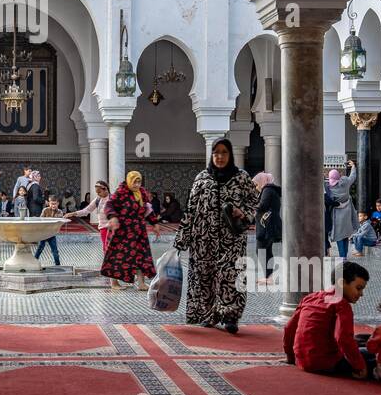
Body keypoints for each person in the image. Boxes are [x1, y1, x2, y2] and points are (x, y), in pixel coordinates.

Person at [176, 138, 259, 332]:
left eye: (224, 152)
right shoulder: (202, 178)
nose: (219, 157)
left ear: (230, 155)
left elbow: (255, 202)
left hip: (232, 240)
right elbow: (190, 209)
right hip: (203, 240)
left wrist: (243, 214)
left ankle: (231, 316)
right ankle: (209, 314)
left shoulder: (241, 177)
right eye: (216, 153)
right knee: (205, 277)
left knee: (231, 277)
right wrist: (182, 239)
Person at [283, 260, 371, 377]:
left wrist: (290, 356)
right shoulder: (341, 304)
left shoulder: (310, 298)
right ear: (342, 283)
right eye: (359, 288)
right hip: (327, 364)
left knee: (360, 339)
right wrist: (359, 366)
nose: (361, 294)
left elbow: (289, 328)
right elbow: (343, 338)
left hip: (301, 360)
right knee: (373, 354)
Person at [101, 170, 159, 292]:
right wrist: (113, 217)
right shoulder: (121, 192)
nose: (137, 185)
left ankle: (142, 283)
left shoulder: (141, 192)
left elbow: (147, 208)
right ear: (129, 181)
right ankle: (114, 282)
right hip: (122, 231)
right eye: (134, 182)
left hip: (138, 231)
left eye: (139, 182)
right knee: (117, 255)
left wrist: (154, 223)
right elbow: (109, 205)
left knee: (141, 256)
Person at [251, 172, 281, 286]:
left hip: (266, 226)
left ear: (262, 181)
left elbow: (262, 206)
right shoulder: (271, 190)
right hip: (269, 225)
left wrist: (251, 205)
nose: (256, 186)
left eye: (256, 183)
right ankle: (269, 277)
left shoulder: (267, 190)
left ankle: (269, 277)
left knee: (261, 251)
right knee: (267, 251)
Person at [68, 180, 112, 251]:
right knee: (105, 248)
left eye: (99, 192)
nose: (98, 194)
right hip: (103, 227)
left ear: (106, 189)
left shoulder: (113, 199)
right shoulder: (98, 200)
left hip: (112, 228)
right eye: (97, 193)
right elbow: (86, 210)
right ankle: (108, 261)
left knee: (111, 247)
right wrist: (73, 213)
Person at [328, 161, 357, 258]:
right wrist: (353, 166)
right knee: (345, 235)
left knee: (339, 236)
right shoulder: (345, 183)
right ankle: (344, 256)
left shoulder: (329, 188)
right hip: (347, 213)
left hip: (337, 214)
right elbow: (352, 177)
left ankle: (342, 257)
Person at [34, 194, 64, 265]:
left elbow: (60, 220)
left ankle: (57, 264)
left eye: (55, 204)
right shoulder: (45, 210)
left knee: (55, 251)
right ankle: (34, 261)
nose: (53, 206)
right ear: (48, 203)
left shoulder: (60, 212)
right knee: (40, 248)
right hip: (44, 233)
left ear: (58, 203)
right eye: (52, 204)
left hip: (52, 234)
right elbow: (40, 219)